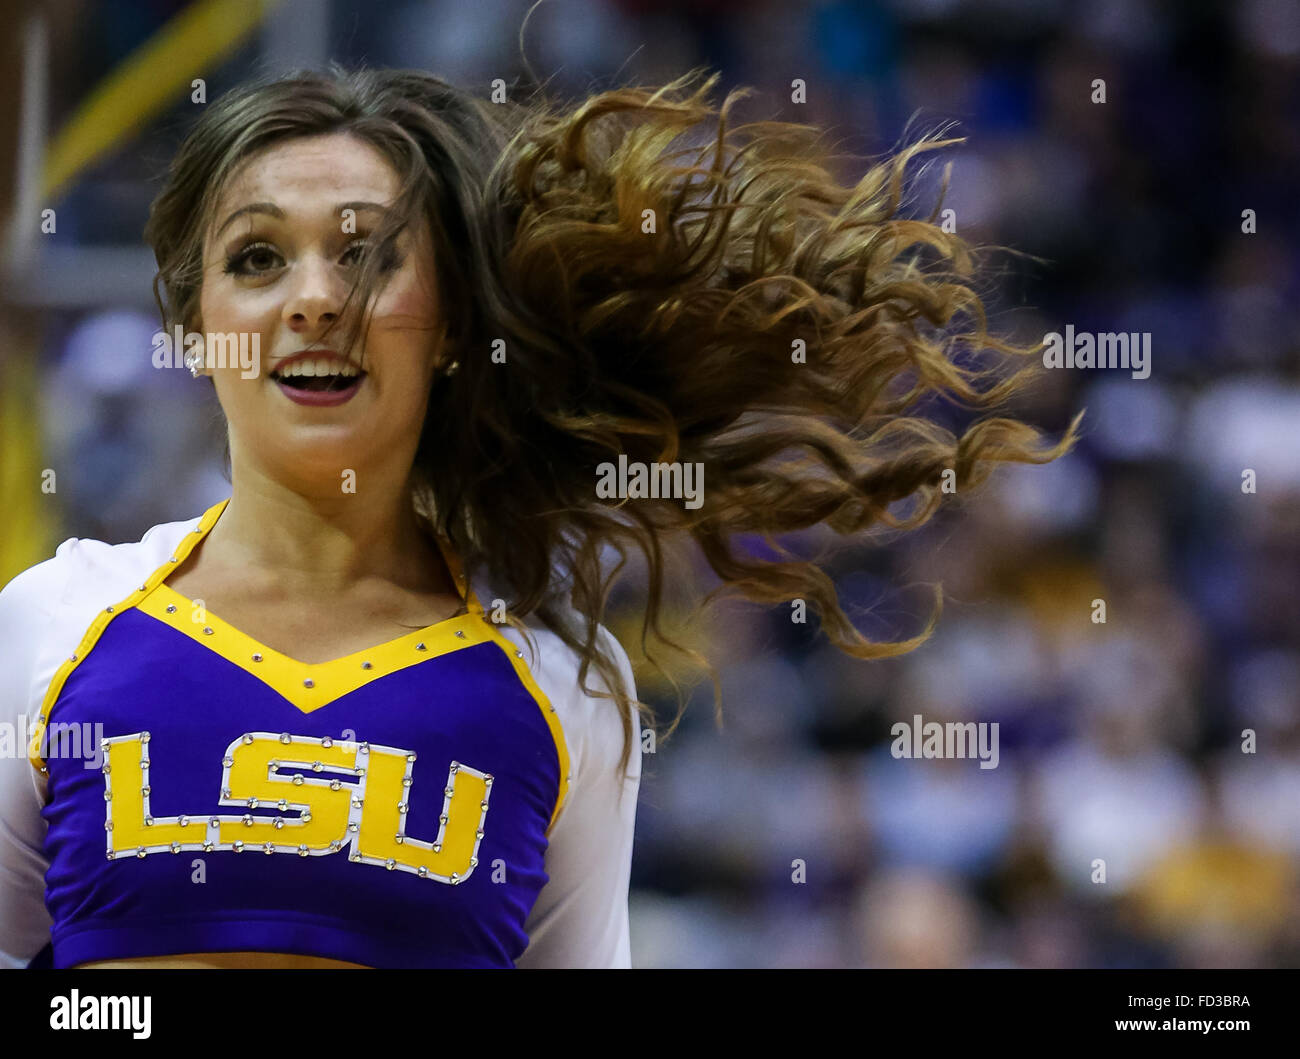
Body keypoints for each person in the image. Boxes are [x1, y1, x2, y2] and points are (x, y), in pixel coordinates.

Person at [0, 65, 1074, 969]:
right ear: (196, 328)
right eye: (256, 258)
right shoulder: (49, 631)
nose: (313, 298)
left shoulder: (563, 692)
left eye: (367, 254)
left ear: (457, 328)